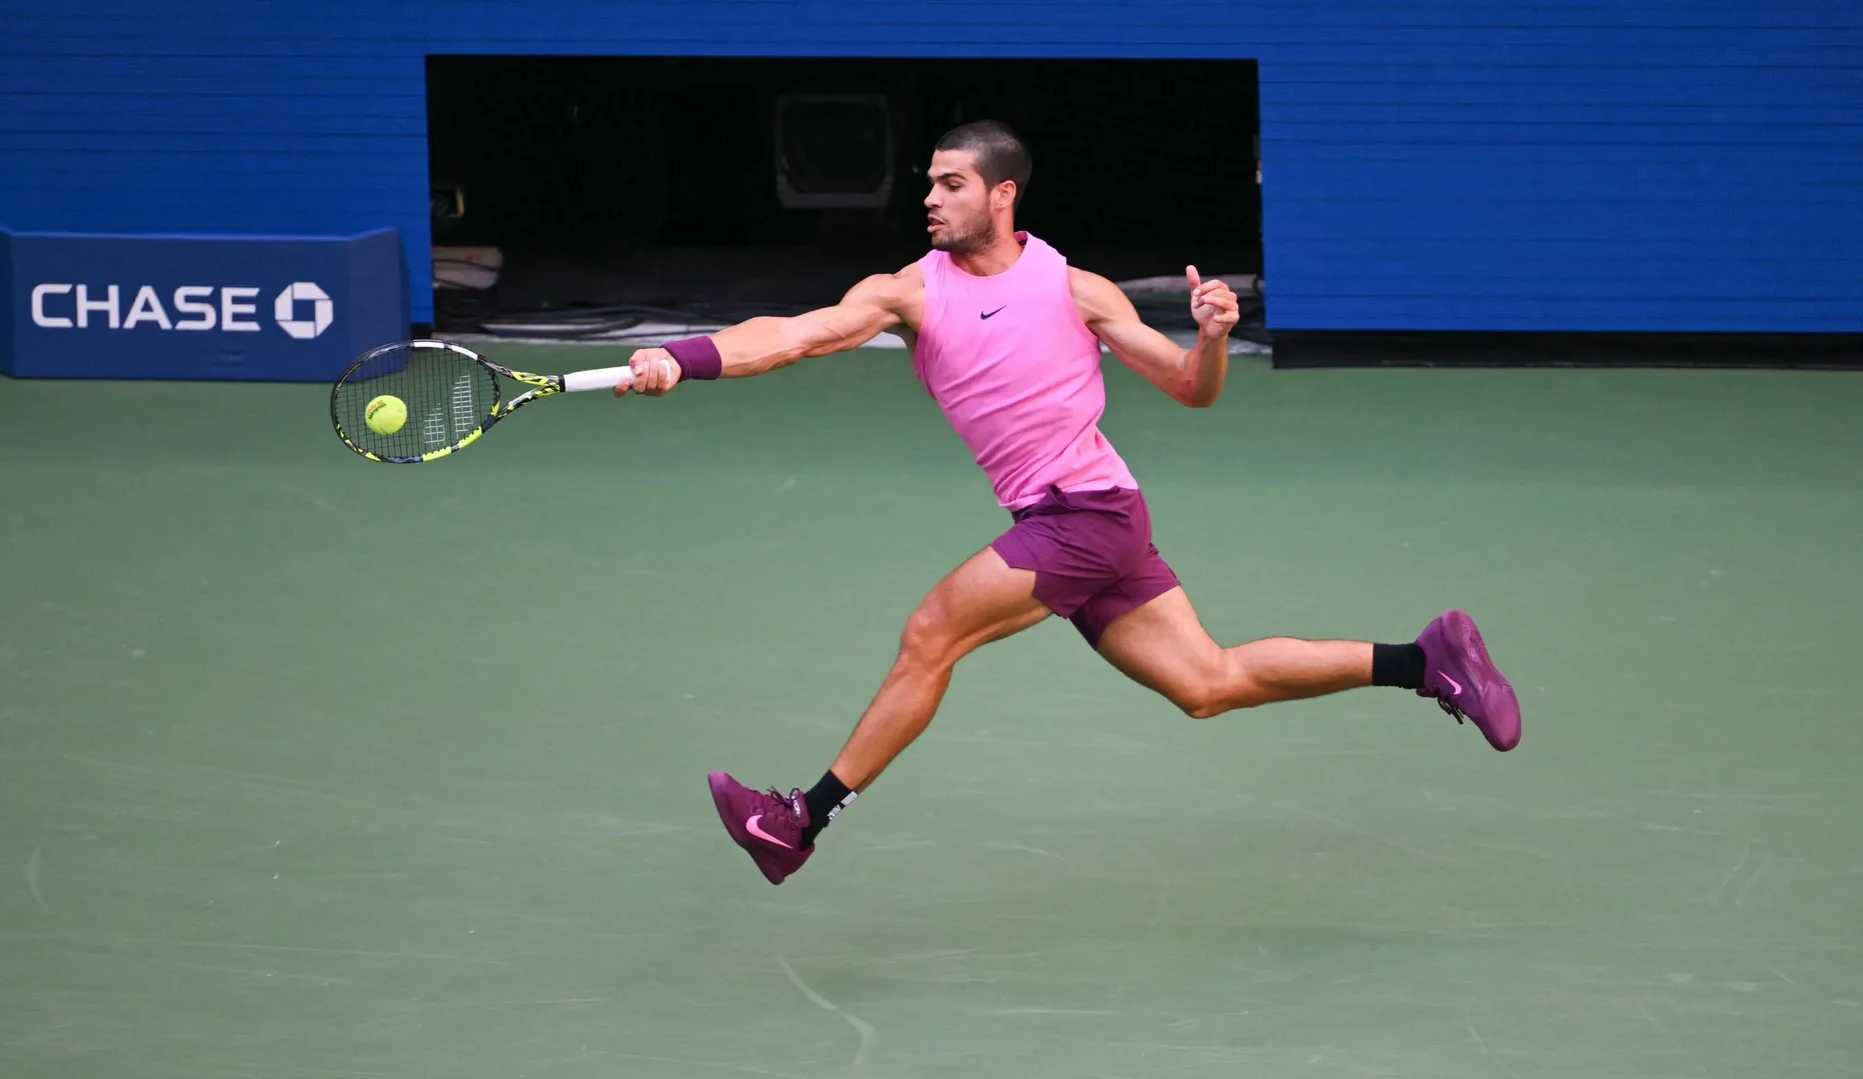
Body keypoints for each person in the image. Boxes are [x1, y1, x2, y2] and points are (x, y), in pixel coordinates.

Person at [615, 120, 1521, 885]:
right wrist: (681, 358)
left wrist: (1209, 338)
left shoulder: (1072, 287)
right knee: (1208, 683)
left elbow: (1191, 388)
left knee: (935, 631)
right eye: (929, 184)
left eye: (951, 184)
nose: (929, 199)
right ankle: (1424, 660)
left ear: (1002, 195)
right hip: (1087, 523)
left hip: (1085, 514)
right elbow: (794, 337)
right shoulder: (907, 294)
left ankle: (797, 822)